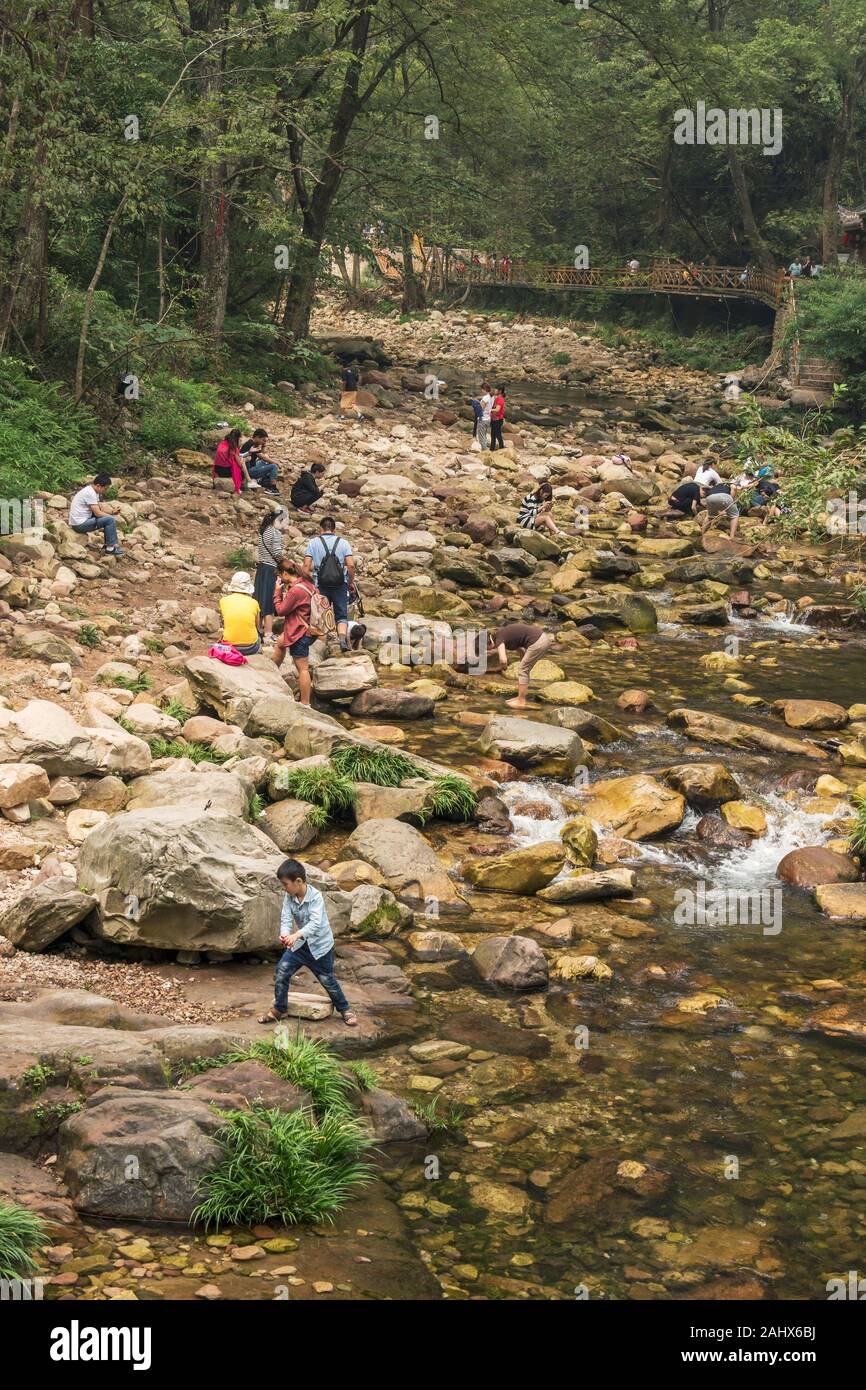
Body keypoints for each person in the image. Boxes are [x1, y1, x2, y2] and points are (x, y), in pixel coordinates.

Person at [259, 859, 357, 1027]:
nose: (284, 888)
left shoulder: (316, 897)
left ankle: (345, 1009)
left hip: (320, 948)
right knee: (282, 972)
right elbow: (286, 918)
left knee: (327, 980)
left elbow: (315, 923)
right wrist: (284, 935)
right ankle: (280, 1009)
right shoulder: (289, 897)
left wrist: (296, 935)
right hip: (300, 946)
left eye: (285, 884)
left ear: (298, 881)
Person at [303, 517, 355, 651]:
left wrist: (304, 582)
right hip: (340, 584)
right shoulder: (343, 543)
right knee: (341, 615)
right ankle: (342, 640)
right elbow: (351, 565)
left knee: (320, 614)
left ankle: (322, 647)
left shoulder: (313, 542)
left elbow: (306, 564)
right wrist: (350, 582)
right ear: (334, 529)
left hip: (320, 584)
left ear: (320, 529)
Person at [272, 559, 320, 701]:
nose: (280, 579)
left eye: (280, 575)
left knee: (303, 669)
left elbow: (281, 610)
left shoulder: (296, 591)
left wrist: (277, 592)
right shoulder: (308, 585)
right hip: (310, 629)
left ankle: (305, 703)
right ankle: (272, 674)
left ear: (285, 573)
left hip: (300, 633)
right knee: (280, 642)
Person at [486, 621, 555, 709]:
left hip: (538, 642)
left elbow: (503, 660)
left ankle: (521, 700)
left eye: (488, 649)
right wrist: (523, 661)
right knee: (523, 669)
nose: (490, 650)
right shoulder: (502, 635)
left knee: (523, 670)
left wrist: (503, 667)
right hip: (542, 638)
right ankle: (520, 696)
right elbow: (521, 650)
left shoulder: (499, 639)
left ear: (490, 643)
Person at [69, 473, 124, 556]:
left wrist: (112, 511)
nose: (105, 491)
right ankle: (110, 549)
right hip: (79, 525)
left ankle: (107, 545)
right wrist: (111, 517)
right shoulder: (89, 493)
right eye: (105, 488)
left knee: (109, 518)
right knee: (110, 520)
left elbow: (99, 508)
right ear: (98, 486)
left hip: (82, 519)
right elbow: (98, 513)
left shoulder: (93, 491)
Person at [254, 508, 286, 642]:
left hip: (261, 569)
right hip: (270, 569)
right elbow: (277, 552)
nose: (284, 525)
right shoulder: (275, 532)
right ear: (277, 521)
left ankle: (258, 630)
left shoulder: (263, 531)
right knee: (268, 601)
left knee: (258, 600)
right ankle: (268, 632)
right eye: (282, 521)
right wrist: (284, 562)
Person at [219, 571, 262, 654]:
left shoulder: (223, 601)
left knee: (218, 644)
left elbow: (226, 623)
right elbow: (258, 625)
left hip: (229, 647)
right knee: (258, 637)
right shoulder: (254, 602)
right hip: (251, 647)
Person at [212, 429, 251, 494]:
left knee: (237, 460)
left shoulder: (222, 443)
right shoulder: (233, 448)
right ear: (238, 438)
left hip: (217, 469)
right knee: (243, 463)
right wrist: (245, 459)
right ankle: (243, 485)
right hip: (226, 471)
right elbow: (240, 464)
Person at [477, 384, 493, 451]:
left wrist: (477, 405)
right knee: (484, 434)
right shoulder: (491, 397)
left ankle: (485, 450)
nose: (481, 391)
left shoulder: (485, 398)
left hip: (483, 418)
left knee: (481, 435)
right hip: (488, 418)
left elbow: (481, 409)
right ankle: (486, 447)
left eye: (482, 389)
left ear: (484, 389)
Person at [490, 384, 506, 450]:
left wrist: (488, 409)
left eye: (496, 389)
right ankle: (492, 449)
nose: (494, 390)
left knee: (498, 435)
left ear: (500, 391)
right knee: (493, 435)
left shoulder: (500, 399)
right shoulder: (497, 398)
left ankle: (502, 448)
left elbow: (497, 410)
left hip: (498, 420)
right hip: (494, 419)